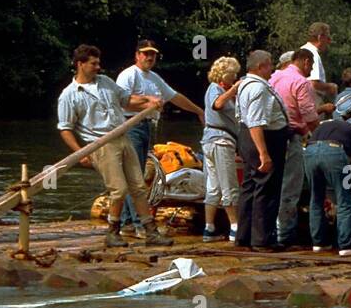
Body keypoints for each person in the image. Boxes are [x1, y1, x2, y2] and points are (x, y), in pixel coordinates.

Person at [56, 44, 174, 248]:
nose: (97, 67)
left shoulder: (105, 82)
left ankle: (150, 232)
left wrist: (148, 100)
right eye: (93, 63)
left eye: (98, 62)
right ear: (80, 64)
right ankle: (113, 231)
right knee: (118, 190)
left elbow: (126, 100)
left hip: (122, 137)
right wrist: (79, 153)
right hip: (101, 144)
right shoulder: (69, 95)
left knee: (138, 186)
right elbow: (65, 128)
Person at [115, 39, 204, 235]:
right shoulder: (128, 75)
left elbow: (175, 96)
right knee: (135, 176)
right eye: (145, 53)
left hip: (147, 127)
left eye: (152, 54)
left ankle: (127, 223)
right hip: (131, 126)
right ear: (137, 55)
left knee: (136, 175)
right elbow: (122, 103)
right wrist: (148, 104)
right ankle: (139, 224)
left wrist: (198, 110)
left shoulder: (154, 78)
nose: (149, 57)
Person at [234, 50, 291, 252]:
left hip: (248, 138)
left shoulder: (244, 85)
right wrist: (264, 154)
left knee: (250, 186)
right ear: (260, 67)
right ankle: (262, 239)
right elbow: (256, 122)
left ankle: (244, 235)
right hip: (264, 140)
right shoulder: (258, 89)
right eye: (269, 65)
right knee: (266, 189)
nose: (272, 68)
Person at [270, 48, 322, 247]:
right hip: (291, 137)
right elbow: (309, 115)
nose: (311, 71)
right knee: (290, 187)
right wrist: (319, 133)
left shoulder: (274, 77)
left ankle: (269, 230)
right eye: (311, 66)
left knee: (273, 184)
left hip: (271, 136)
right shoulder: (301, 82)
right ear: (306, 61)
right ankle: (285, 235)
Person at [304, 114, 351, 256]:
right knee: (345, 199)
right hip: (334, 151)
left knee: (316, 199)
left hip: (310, 152)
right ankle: (346, 244)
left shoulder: (323, 127)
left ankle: (319, 243)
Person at [201, 56, 241, 243]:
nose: (234, 78)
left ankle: (209, 228)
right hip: (220, 141)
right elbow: (217, 105)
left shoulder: (222, 90)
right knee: (228, 185)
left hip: (215, 140)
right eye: (232, 74)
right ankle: (235, 227)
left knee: (214, 186)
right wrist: (233, 90)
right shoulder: (215, 88)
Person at [302, 22, 339, 109]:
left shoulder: (303, 50)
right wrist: (331, 87)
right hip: (313, 101)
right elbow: (314, 83)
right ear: (320, 37)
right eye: (328, 38)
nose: (329, 41)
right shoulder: (312, 54)